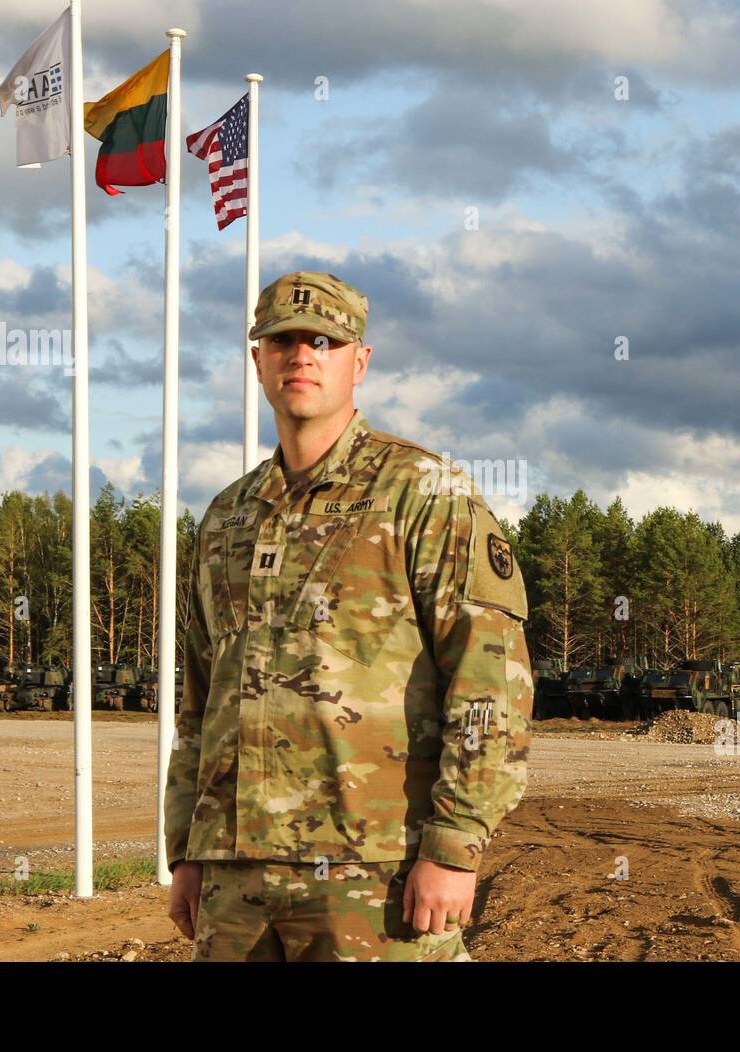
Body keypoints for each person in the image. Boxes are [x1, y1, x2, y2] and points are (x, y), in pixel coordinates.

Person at [164, 271, 532, 961]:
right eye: (283, 341)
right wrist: (187, 847)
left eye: (324, 341)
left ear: (358, 361)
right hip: (235, 879)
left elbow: (490, 681)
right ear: (259, 361)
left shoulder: (423, 493)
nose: (302, 356)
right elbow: (198, 699)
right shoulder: (227, 518)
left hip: (376, 872)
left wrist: (453, 847)